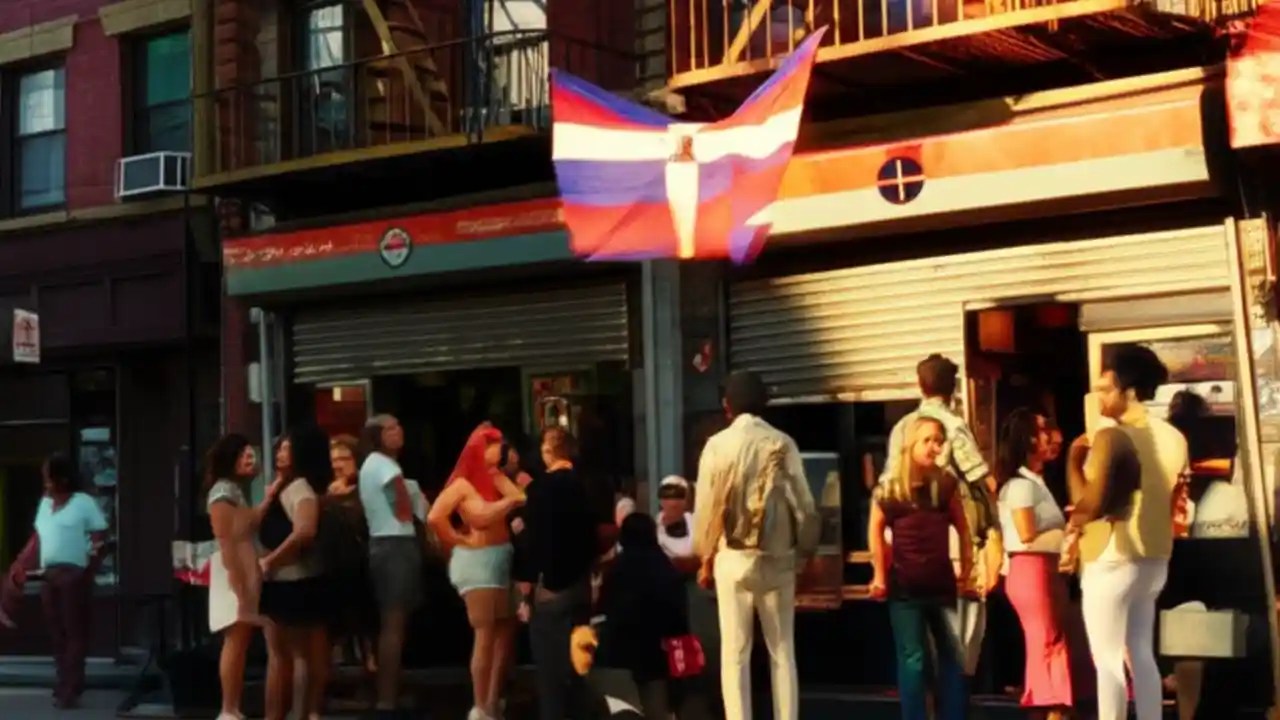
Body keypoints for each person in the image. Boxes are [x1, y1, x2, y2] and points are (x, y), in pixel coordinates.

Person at [1064, 344, 1187, 720]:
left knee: (1107, 659)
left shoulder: (1111, 438)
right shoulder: (1173, 437)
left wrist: (1072, 461)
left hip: (1111, 552)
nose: (1099, 397)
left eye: (1105, 388)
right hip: (1155, 552)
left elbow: (1091, 500)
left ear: (1128, 390)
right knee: (1142, 652)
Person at [692, 370, 817, 720]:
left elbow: (706, 509)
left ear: (726, 405)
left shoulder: (716, 445)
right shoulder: (782, 443)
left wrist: (705, 556)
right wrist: (804, 554)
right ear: (764, 403)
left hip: (732, 561)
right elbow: (805, 506)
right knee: (782, 652)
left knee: (735, 655)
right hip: (777, 561)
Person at [880, 354, 1001, 678]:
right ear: (954, 388)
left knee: (916, 648)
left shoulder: (902, 428)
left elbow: (885, 487)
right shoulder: (951, 426)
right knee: (958, 637)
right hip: (947, 538)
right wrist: (992, 533)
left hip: (905, 543)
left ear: (920, 385)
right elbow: (981, 480)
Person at [869, 417, 973, 720]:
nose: (935, 447)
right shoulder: (891, 488)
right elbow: (875, 529)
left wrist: (967, 571)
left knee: (952, 656)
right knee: (912, 659)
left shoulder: (945, 483)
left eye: (939, 441)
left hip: (941, 584)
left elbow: (963, 528)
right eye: (928, 440)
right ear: (911, 443)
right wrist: (879, 574)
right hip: (905, 586)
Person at [428, 423, 526, 720]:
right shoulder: (461, 485)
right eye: (493, 445)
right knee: (484, 632)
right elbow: (435, 517)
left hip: (502, 557)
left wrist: (498, 476)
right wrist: (458, 539)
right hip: (478, 560)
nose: (499, 450)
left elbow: (520, 498)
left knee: (505, 630)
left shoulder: (496, 480)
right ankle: (480, 704)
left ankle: (493, 698)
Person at [515, 427, 599, 720]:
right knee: (579, 662)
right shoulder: (589, 484)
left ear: (548, 452)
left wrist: (524, 592)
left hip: (550, 588)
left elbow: (533, 544)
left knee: (549, 672)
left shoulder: (539, 490)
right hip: (582, 585)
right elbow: (595, 537)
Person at [997, 410, 1073, 719]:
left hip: (1045, 569)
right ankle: (1049, 703)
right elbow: (1026, 534)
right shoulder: (1020, 486)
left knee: (1050, 637)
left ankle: (1049, 703)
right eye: (1042, 430)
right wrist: (1063, 532)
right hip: (1031, 568)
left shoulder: (1036, 483)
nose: (1049, 436)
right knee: (1045, 639)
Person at [597, 512, 703, 718]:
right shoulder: (664, 568)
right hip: (657, 658)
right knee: (658, 710)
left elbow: (605, 607)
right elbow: (678, 616)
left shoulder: (618, 568)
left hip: (620, 658)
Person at [258, 425, 332, 720]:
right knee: (291, 655)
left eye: (287, 448)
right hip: (288, 580)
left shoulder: (300, 488)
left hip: (294, 580)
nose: (280, 454)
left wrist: (271, 562)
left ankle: (300, 712)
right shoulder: (285, 486)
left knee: (298, 655)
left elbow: (304, 531)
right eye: (279, 448)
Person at [357, 414, 428, 714]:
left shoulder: (375, 465)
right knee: (394, 623)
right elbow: (402, 508)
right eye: (389, 428)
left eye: (399, 425)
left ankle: (389, 693)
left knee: (393, 622)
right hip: (395, 543)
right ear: (376, 435)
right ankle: (387, 699)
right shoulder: (384, 466)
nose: (397, 431)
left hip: (385, 544)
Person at [205, 434, 274, 720]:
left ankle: (232, 707)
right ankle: (229, 707)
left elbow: (249, 522)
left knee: (241, 639)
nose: (251, 459)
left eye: (252, 454)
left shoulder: (236, 490)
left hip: (244, 568)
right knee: (235, 638)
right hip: (234, 570)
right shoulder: (223, 492)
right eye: (244, 455)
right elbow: (226, 539)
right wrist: (240, 584)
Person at [33, 453, 108, 709]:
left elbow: (100, 534)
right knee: (56, 633)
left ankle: (71, 688)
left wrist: (90, 567)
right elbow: (39, 537)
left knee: (75, 631)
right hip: (48, 575)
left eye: (49, 478)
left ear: (63, 479)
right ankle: (63, 681)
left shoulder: (83, 502)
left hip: (72, 574)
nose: (46, 483)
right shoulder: (45, 504)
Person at [326, 434, 377, 677]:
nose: (338, 464)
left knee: (366, 620)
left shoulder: (366, 490)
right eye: (333, 459)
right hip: (334, 566)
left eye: (344, 458)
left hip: (365, 564)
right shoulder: (322, 493)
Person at [657, 476, 700, 574]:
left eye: (679, 495)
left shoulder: (697, 525)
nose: (673, 503)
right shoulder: (652, 531)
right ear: (661, 501)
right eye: (668, 496)